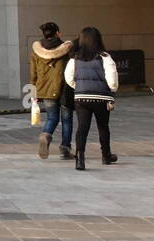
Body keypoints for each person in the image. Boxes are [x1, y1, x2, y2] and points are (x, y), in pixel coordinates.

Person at [64, 26, 120, 170]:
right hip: (101, 97)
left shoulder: (75, 58)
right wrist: (111, 91)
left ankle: (80, 159)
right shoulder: (104, 57)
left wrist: (79, 87)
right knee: (103, 126)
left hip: (81, 97)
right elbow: (112, 80)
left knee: (82, 128)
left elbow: (68, 77)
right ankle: (106, 156)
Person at [28, 21, 74, 160]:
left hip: (45, 90)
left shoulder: (36, 51)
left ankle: (46, 135)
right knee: (67, 120)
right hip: (65, 89)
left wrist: (33, 92)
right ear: (58, 33)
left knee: (52, 117)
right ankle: (65, 149)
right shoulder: (66, 49)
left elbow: (33, 74)